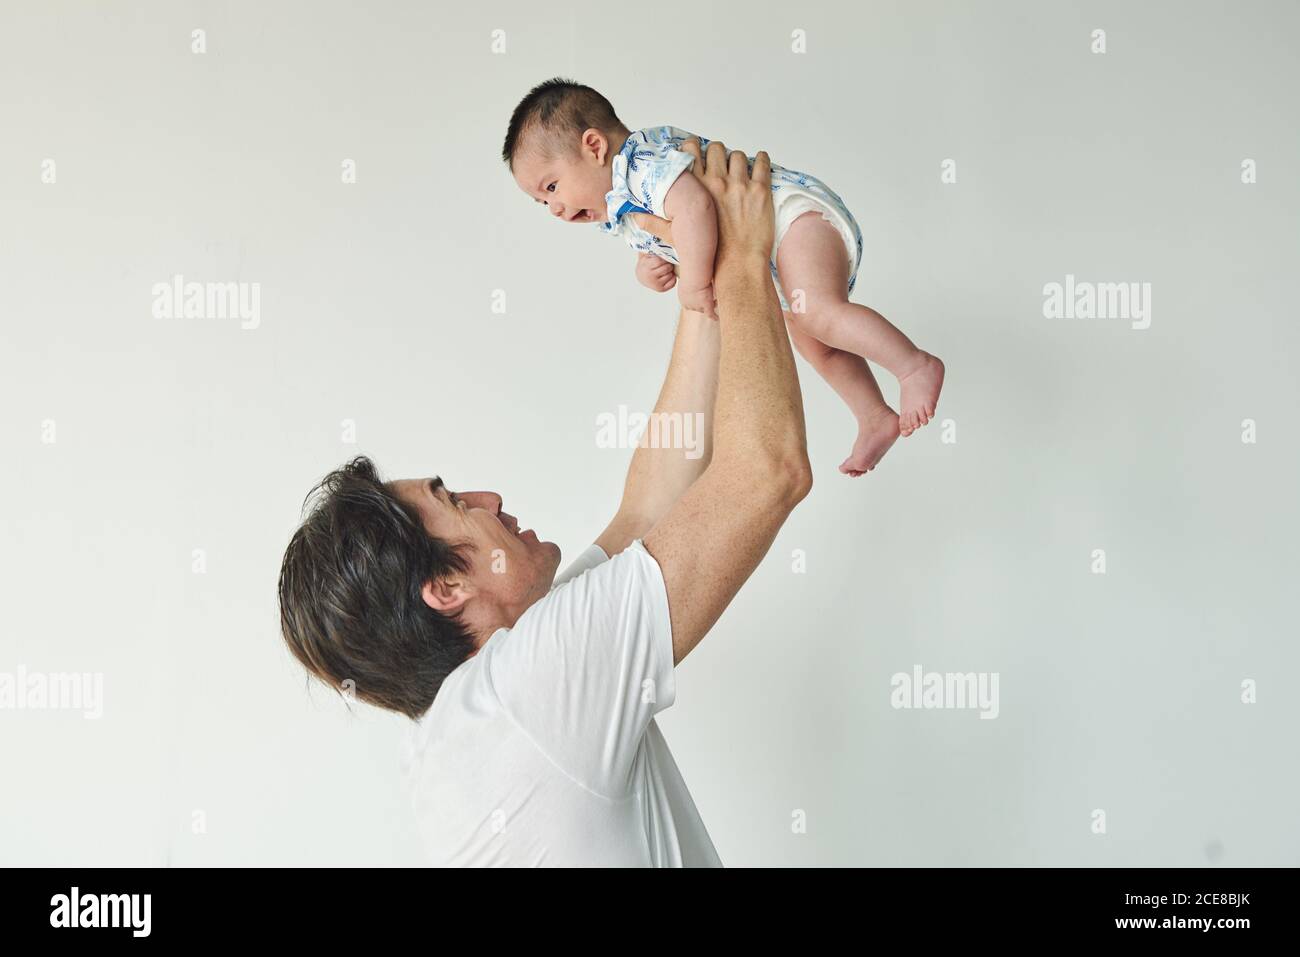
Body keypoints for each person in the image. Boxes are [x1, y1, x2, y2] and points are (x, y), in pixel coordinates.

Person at [278, 137, 812, 866]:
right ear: (445, 586)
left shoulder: (479, 711)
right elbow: (766, 472)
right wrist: (748, 257)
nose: (488, 495)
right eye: (454, 500)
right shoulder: (529, 691)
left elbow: (647, 512)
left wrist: (702, 271)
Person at [504, 77, 945, 476]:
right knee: (817, 345)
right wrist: (649, 269)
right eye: (542, 204)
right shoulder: (621, 206)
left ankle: (913, 366)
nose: (555, 209)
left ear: (594, 146)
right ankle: (873, 415)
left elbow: (695, 208)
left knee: (824, 315)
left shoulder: (639, 164)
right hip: (771, 252)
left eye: (552, 187)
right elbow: (667, 237)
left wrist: (693, 282)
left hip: (790, 219)